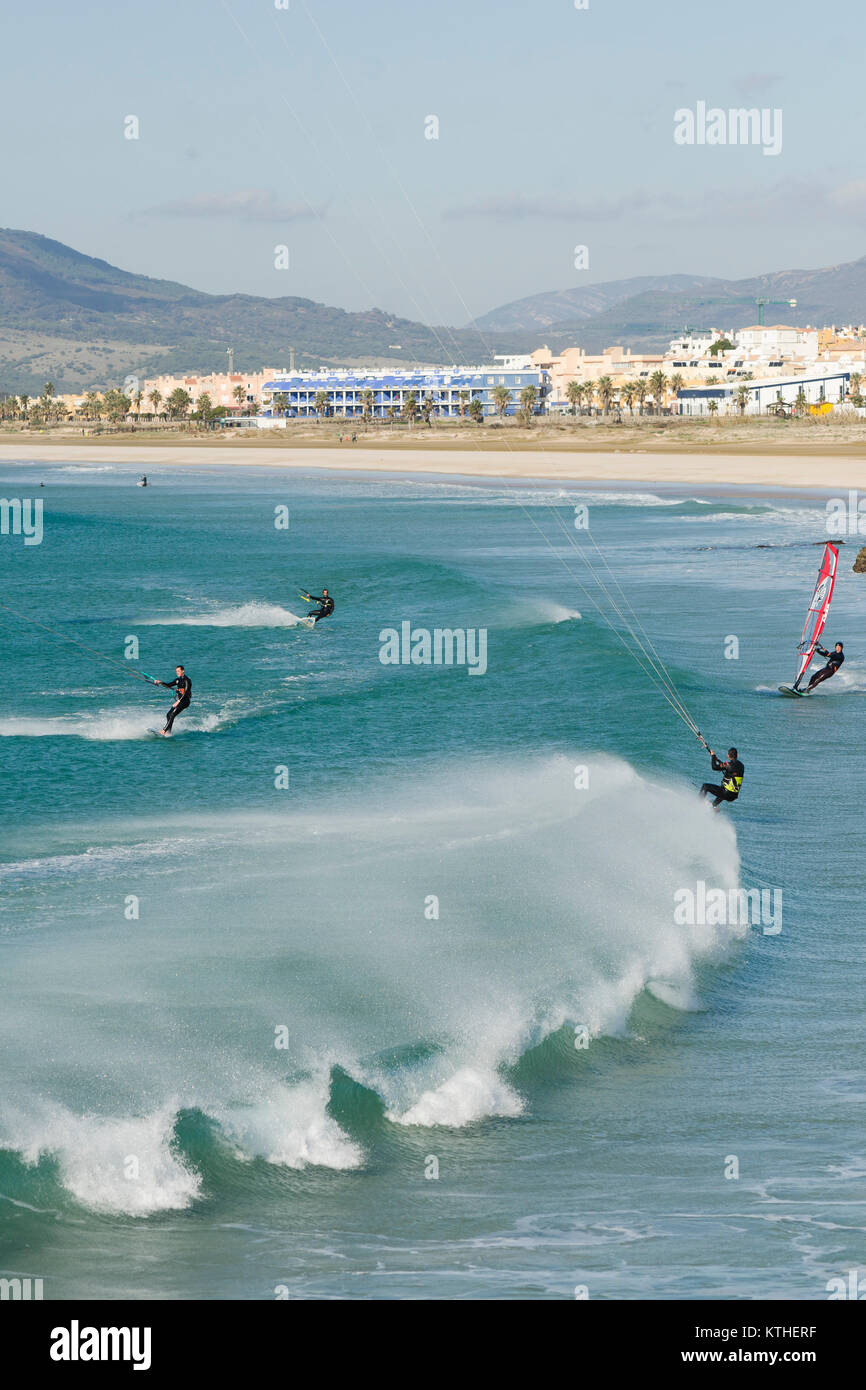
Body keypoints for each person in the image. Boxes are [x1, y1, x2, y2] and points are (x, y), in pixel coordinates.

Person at [700, 746, 744, 811]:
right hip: (733, 796)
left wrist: (713, 756)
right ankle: (713, 806)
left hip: (726, 793)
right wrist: (718, 761)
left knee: (705, 786)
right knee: (723, 789)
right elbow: (731, 769)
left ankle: (697, 804)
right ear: (737, 755)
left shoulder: (728, 765)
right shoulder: (741, 766)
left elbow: (714, 767)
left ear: (728, 756)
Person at [156, 665, 192, 736]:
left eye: (178, 671)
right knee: (168, 715)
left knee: (172, 714)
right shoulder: (178, 680)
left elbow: (186, 692)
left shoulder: (187, 680)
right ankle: (168, 732)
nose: (177, 672)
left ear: (183, 671)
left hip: (185, 701)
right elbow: (168, 685)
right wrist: (160, 682)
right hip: (180, 701)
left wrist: (178, 701)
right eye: (176, 671)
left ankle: (164, 731)